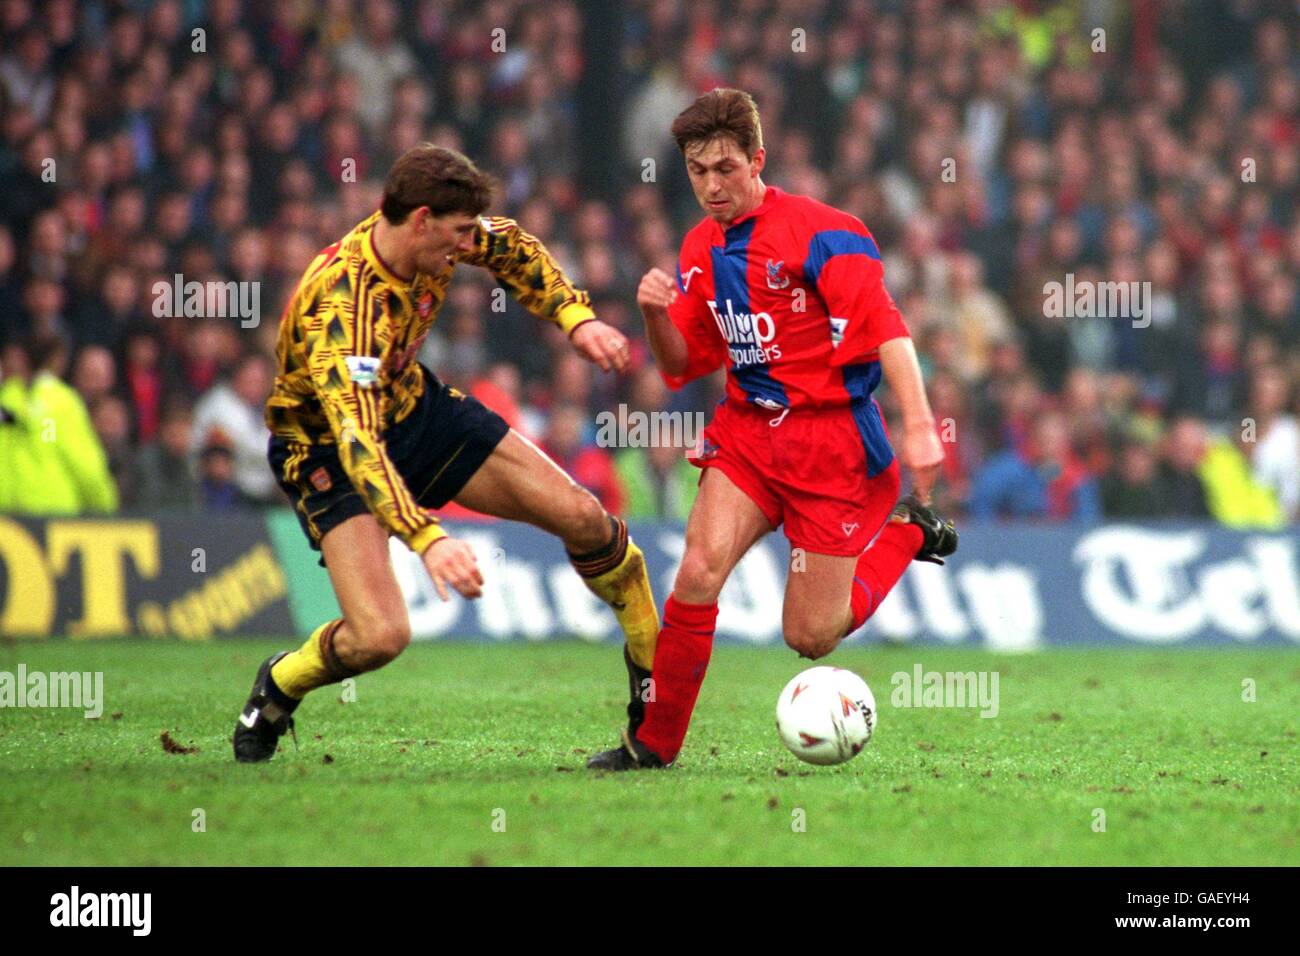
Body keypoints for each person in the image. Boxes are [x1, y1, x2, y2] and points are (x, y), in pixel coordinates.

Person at [232, 144, 660, 762]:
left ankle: (653, 702)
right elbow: (359, 443)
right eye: (459, 232)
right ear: (421, 219)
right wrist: (428, 538)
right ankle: (280, 682)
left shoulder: (443, 235)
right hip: (328, 451)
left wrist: (575, 318)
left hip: (417, 412)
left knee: (584, 517)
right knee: (379, 637)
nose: (467, 245)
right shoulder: (344, 307)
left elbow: (512, 246)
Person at [587, 89, 957, 771]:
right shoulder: (700, 246)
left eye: (725, 168)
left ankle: (909, 531)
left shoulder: (824, 232)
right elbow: (681, 365)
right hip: (750, 435)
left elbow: (887, 329)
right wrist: (654, 316)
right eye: (698, 171)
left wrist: (921, 425)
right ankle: (652, 744)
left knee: (810, 637)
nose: (711, 186)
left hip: (832, 446)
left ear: (758, 160)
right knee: (697, 570)